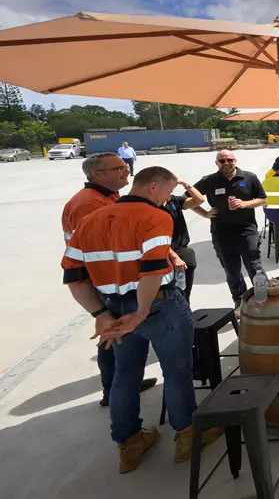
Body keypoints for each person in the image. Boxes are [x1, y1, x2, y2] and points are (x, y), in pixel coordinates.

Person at [62, 167, 223, 473]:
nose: (167, 200)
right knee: (177, 370)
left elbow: (73, 275)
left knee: (125, 373)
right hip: (157, 305)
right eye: (166, 192)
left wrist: (100, 314)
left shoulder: (90, 220)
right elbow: (150, 271)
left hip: (113, 307)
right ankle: (187, 434)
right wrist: (140, 312)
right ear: (152, 188)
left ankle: (129, 444)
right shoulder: (155, 217)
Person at [62, 152, 156, 407]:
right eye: (119, 168)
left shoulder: (107, 197)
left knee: (119, 337)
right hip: (108, 283)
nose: (126, 172)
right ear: (97, 174)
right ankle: (114, 391)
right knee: (114, 335)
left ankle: (123, 385)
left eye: (125, 167)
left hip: (116, 278)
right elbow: (93, 249)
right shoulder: (88, 204)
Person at [193, 150, 267, 310]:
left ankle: (265, 298)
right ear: (216, 163)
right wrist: (204, 213)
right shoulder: (210, 180)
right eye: (222, 161)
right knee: (232, 271)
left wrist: (244, 204)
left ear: (235, 161)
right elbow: (187, 199)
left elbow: (263, 199)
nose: (226, 163)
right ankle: (240, 302)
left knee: (255, 266)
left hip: (246, 229)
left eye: (229, 160)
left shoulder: (249, 177)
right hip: (221, 232)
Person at [161, 179, 207, 302]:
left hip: (182, 250)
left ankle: (185, 307)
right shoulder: (151, 206)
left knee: (185, 292)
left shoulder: (174, 200)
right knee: (169, 291)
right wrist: (174, 257)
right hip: (164, 252)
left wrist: (185, 184)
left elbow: (200, 200)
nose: (170, 191)